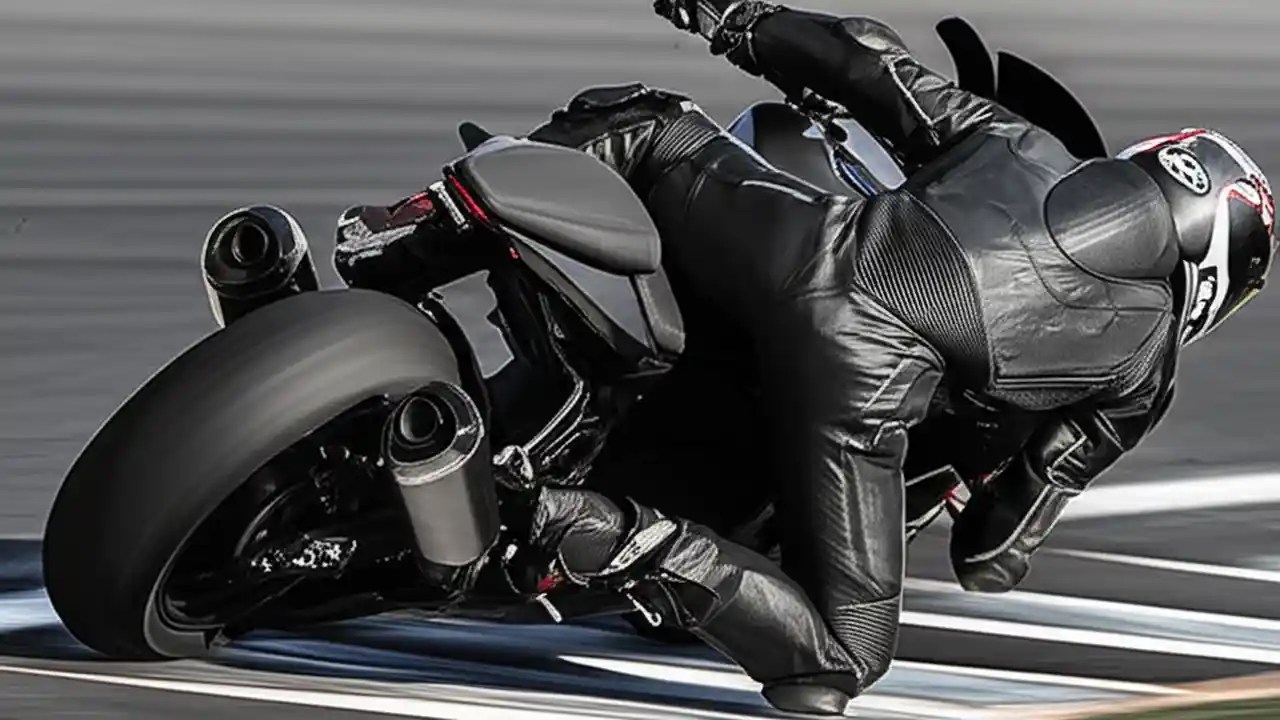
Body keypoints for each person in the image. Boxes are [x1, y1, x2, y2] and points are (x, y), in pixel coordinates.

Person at [333, 2, 1276, 713]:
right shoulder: (1143, 371)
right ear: (1214, 279)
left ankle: (406, 238)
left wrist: (732, 17)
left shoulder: (1019, 142)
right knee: (842, 660)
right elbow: (992, 555)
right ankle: (600, 529)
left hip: (784, 247)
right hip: (858, 385)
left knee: (649, 121)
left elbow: (868, 61)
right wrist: (984, 495)